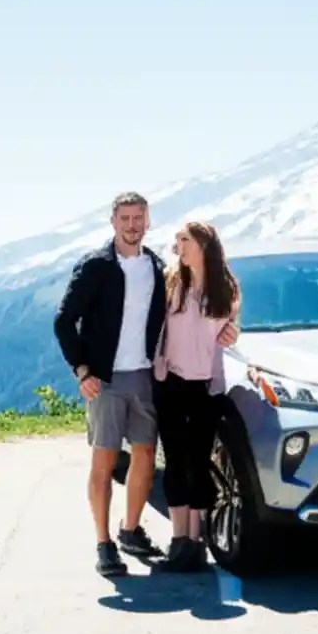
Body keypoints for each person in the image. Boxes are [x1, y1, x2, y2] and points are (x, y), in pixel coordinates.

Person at [53, 192, 239, 577]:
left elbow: (198, 317)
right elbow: (63, 320)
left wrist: (229, 330)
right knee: (104, 460)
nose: (132, 224)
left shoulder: (158, 268)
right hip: (105, 378)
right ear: (113, 221)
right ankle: (103, 544)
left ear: (148, 221)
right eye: (125, 218)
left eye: (139, 217)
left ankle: (130, 530)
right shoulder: (95, 267)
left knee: (143, 457)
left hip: (146, 377)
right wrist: (82, 371)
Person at [150, 221, 241, 572]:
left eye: (184, 240)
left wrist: (234, 332)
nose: (178, 246)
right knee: (174, 457)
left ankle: (196, 538)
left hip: (206, 385)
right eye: (177, 240)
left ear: (204, 244)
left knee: (199, 459)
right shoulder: (172, 282)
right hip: (170, 381)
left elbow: (229, 332)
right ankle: (179, 539)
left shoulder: (226, 290)